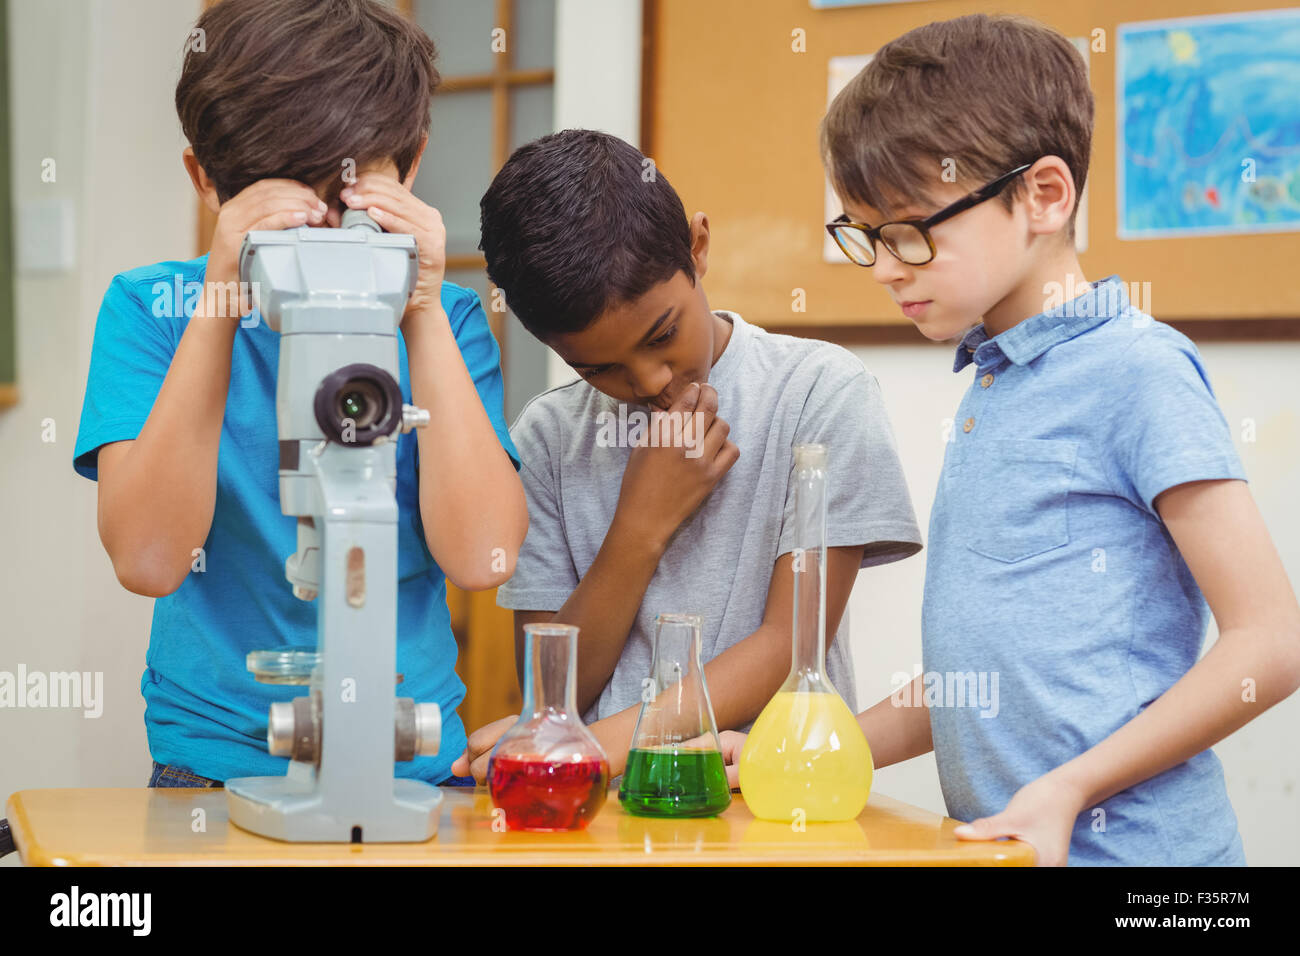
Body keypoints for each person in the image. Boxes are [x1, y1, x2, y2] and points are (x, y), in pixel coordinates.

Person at [724, 12, 1300, 865]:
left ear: (1043, 195)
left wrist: (1069, 787)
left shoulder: (1138, 371)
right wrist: (808, 743)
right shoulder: (992, 381)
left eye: (911, 230)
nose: (884, 266)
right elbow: (987, 681)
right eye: (865, 236)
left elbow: (1272, 642)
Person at [72, 0, 526, 789]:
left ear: (410, 165)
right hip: (212, 765)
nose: (314, 241)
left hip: (407, 759)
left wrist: (416, 307)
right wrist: (220, 295)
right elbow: (148, 559)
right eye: (280, 211)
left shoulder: (445, 319)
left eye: (343, 204)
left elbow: (485, 555)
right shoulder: (153, 310)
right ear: (205, 180)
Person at [452, 129, 923, 781]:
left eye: (662, 335)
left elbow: (791, 644)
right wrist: (639, 528)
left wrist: (589, 748)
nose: (647, 381)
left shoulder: (819, 392)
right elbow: (555, 692)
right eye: (599, 367)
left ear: (698, 247)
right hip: (604, 816)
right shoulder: (549, 437)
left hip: (771, 803)